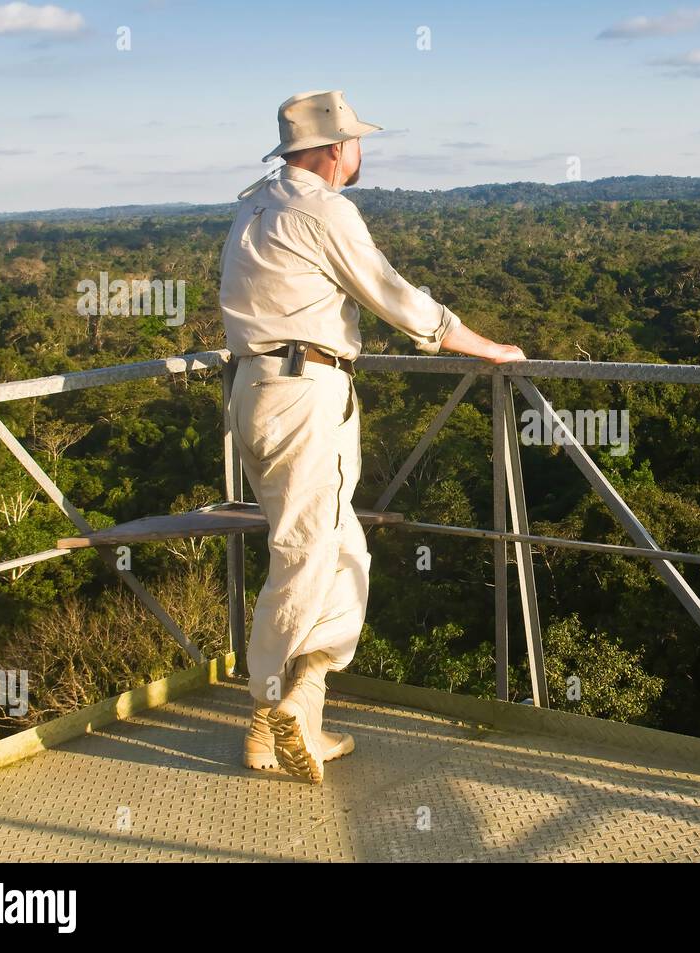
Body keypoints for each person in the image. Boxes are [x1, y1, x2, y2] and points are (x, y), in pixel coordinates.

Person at [220, 89, 525, 783]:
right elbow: (393, 295)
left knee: (342, 548)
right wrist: (480, 345)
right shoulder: (322, 209)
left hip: (254, 388)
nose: (362, 153)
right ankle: (269, 705)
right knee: (304, 554)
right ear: (333, 150)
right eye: (356, 142)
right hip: (301, 392)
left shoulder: (255, 203)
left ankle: (298, 710)